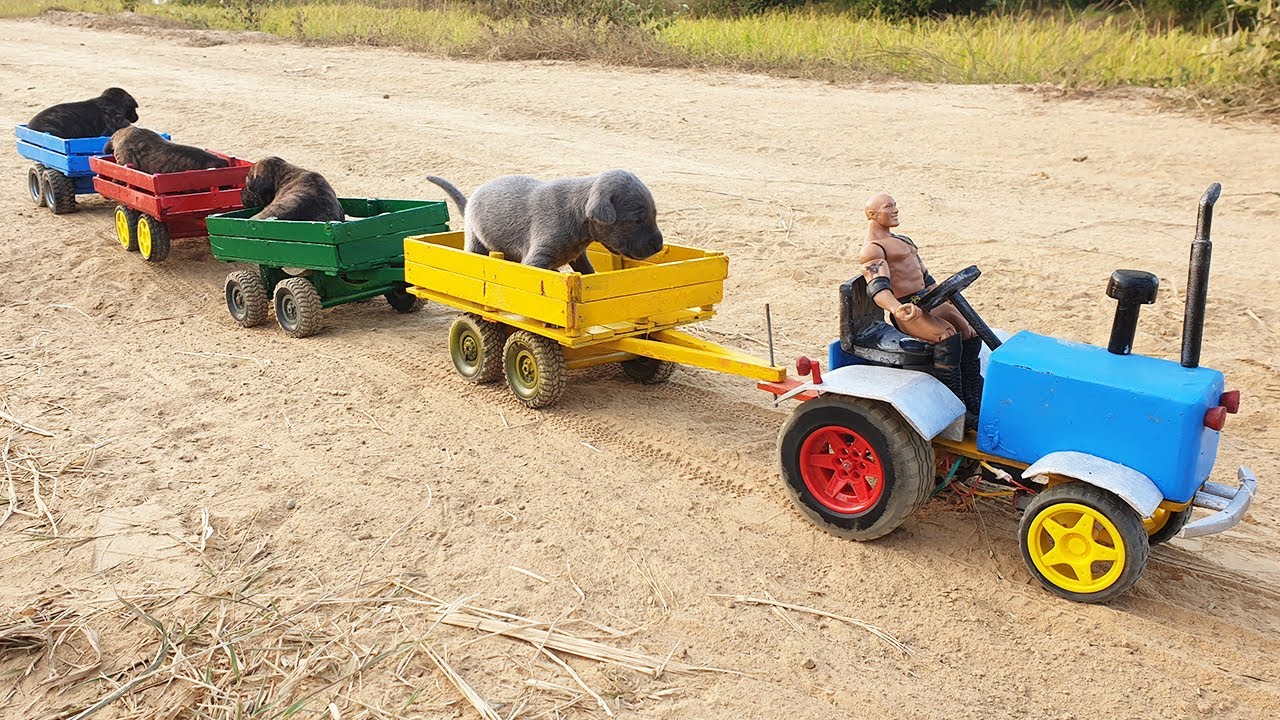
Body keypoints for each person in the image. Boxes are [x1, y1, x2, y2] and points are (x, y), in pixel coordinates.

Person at [858, 193, 983, 426]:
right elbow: (878, 288)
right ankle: (954, 406)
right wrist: (897, 309)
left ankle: (972, 392)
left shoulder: (903, 240)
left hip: (929, 299)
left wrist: (946, 297)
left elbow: (925, 277)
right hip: (909, 309)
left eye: (895, 204)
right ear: (872, 215)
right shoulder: (873, 250)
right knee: (946, 336)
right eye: (889, 207)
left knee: (970, 331)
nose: (896, 210)